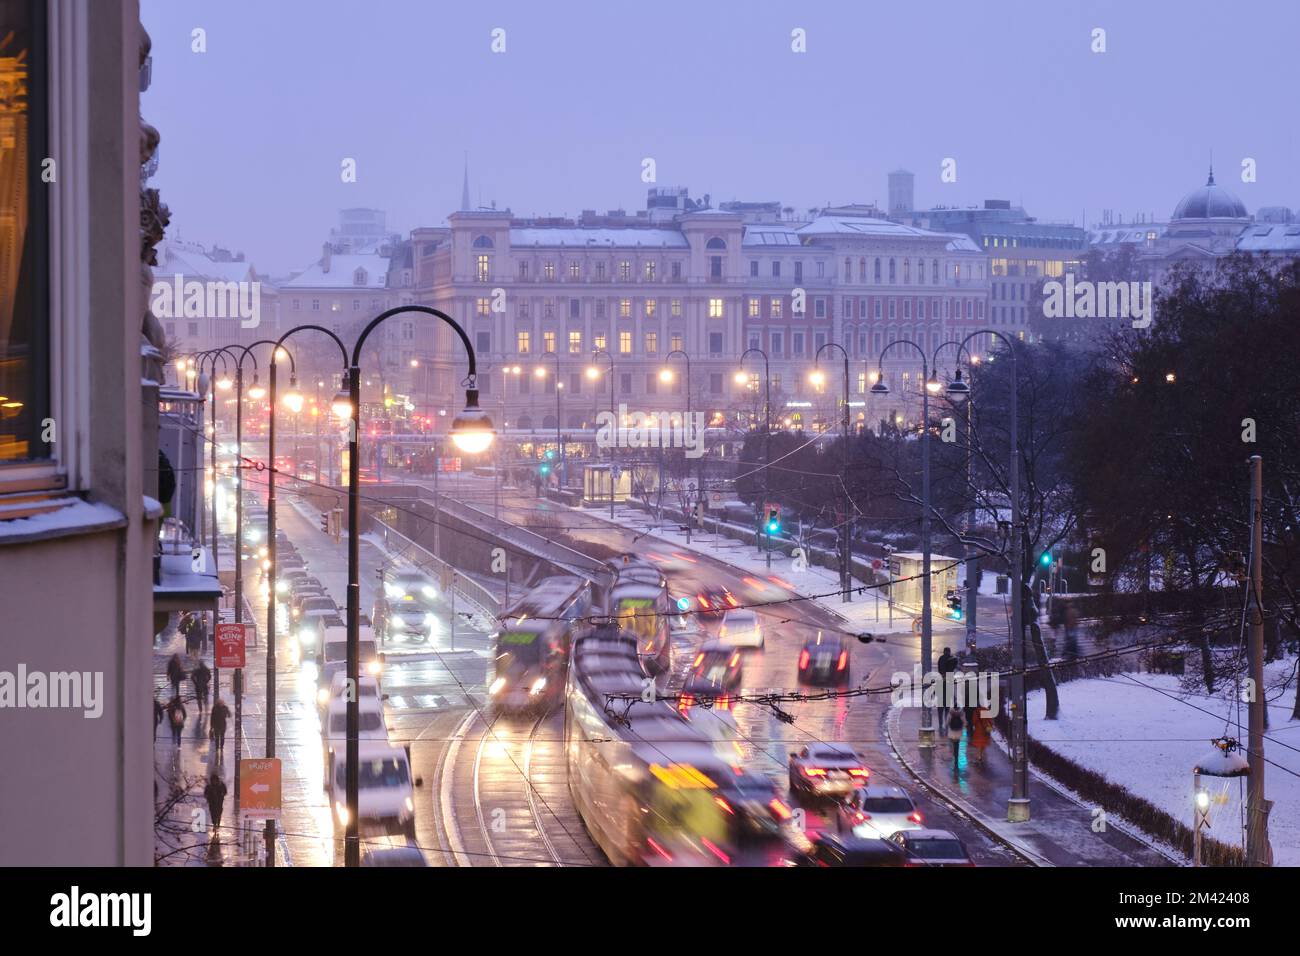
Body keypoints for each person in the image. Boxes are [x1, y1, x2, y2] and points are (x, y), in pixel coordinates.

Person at [203, 773, 227, 838]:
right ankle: (214, 824)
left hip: (219, 803)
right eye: (213, 780)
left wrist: (222, 794)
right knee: (213, 814)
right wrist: (208, 796)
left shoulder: (221, 785)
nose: (214, 781)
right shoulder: (209, 786)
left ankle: (217, 824)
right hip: (212, 803)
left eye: (215, 780)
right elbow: (205, 793)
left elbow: (225, 791)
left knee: (218, 813)